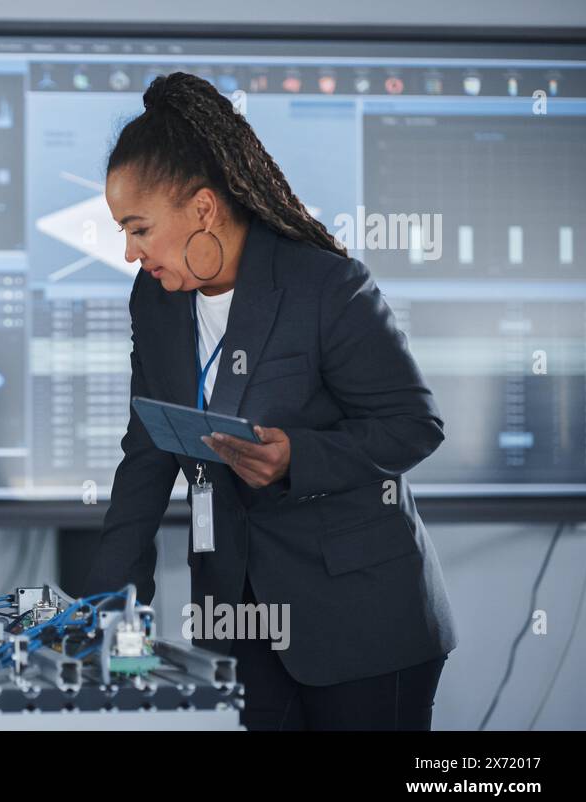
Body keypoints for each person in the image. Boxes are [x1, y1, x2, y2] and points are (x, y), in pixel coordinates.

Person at [87, 72, 456, 730]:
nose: (128, 251)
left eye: (139, 228)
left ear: (202, 209)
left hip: (362, 622)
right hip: (240, 623)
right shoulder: (154, 302)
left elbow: (413, 426)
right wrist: (116, 618)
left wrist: (298, 459)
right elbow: (145, 457)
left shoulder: (324, 285)